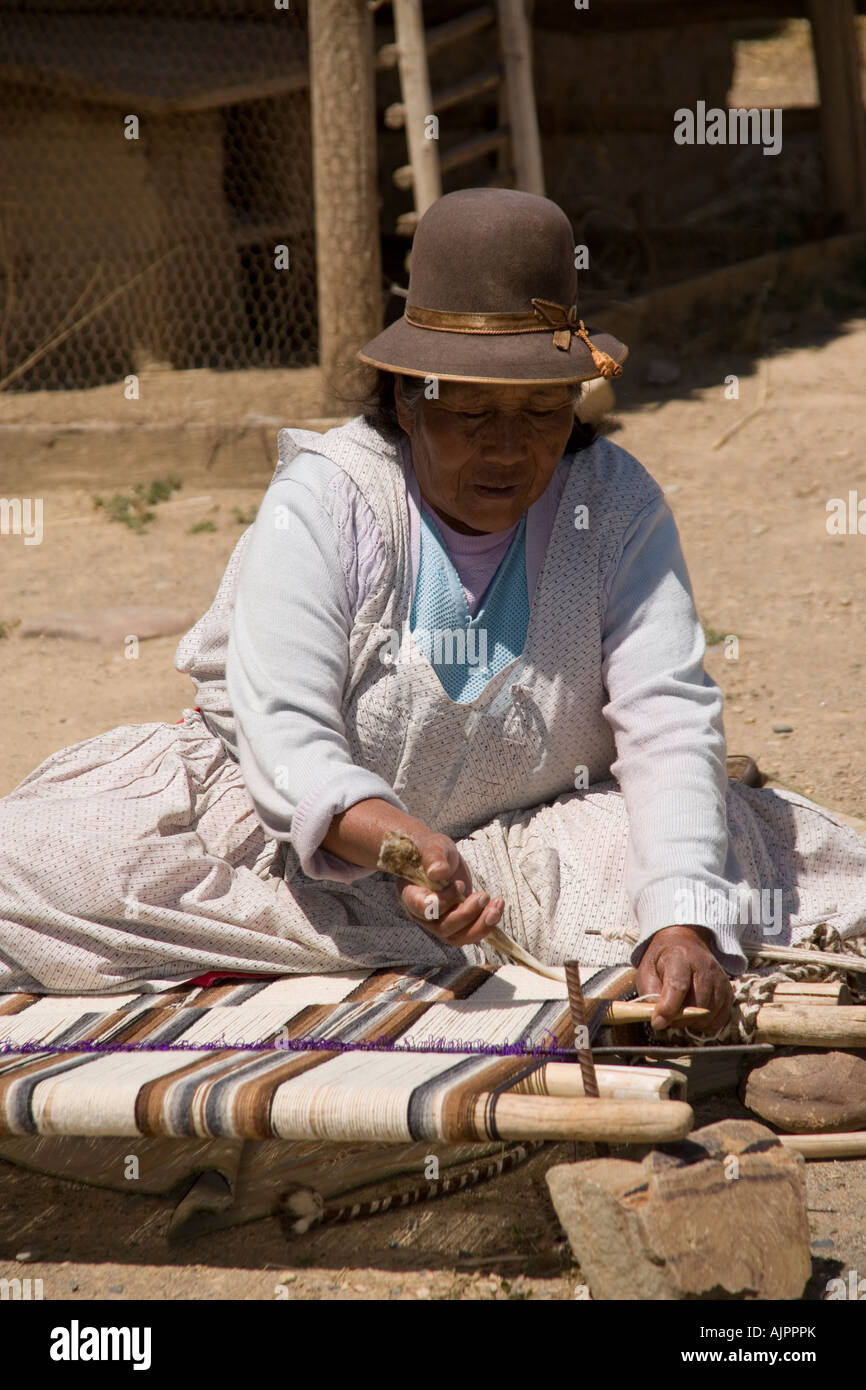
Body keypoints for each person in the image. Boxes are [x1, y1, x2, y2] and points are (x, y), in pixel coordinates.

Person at [1, 189, 865, 1030]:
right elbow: (285, 733)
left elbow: (668, 718)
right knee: (54, 870)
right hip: (297, 849)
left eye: (540, 411)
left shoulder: (614, 506)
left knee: (761, 883)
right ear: (410, 400)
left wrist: (680, 918)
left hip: (533, 840)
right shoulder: (330, 500)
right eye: (473, 411)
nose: (509, 447)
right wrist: (399, 847)